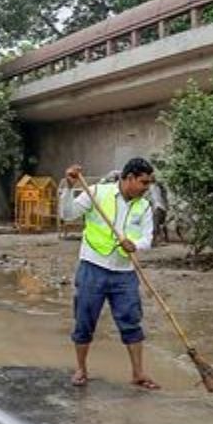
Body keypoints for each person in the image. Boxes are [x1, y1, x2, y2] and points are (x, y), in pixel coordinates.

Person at [60, 158, 160, 390]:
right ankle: (81, 369)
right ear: (129, 178)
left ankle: (138, 373)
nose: (147, 188)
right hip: (92, 268)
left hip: (124, 273)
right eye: (144, 182)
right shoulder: (97, 193)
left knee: (131, 322)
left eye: (148, 183)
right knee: (84, 321)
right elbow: (68, 214)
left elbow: (147, 238)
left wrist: (135, 245)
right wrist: (69, 187)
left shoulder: (144, 206)